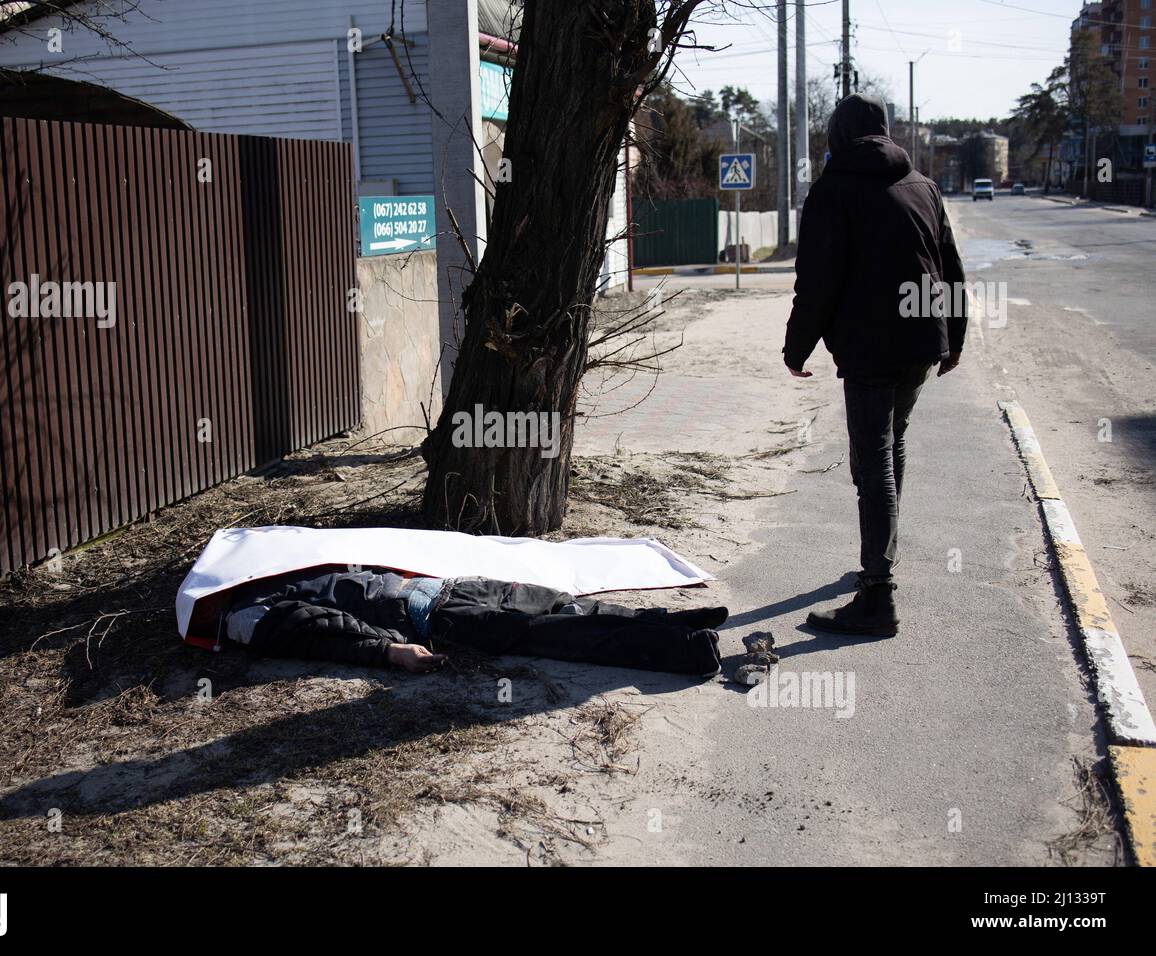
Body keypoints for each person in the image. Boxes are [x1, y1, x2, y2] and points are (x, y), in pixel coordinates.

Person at [782, 93, 966, 638]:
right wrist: (954, 338)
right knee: (892, 443)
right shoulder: (923, 186)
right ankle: (880, 560)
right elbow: (950, 267)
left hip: (868, 347)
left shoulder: (832, 190)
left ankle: (878, 595)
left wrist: (796, 349)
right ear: (884, 132)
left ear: (837, 137)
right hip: (919, 342)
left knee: (874, 462)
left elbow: (817, 280)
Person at [218, 566, 728, 676]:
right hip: (439, 616)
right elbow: (322, 634)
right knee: (565, 636)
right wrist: (387, 652)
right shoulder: (246, 614)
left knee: (563, 605)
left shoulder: (279, 566)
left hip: (455, 586)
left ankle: (670, 621)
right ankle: (682, 652)